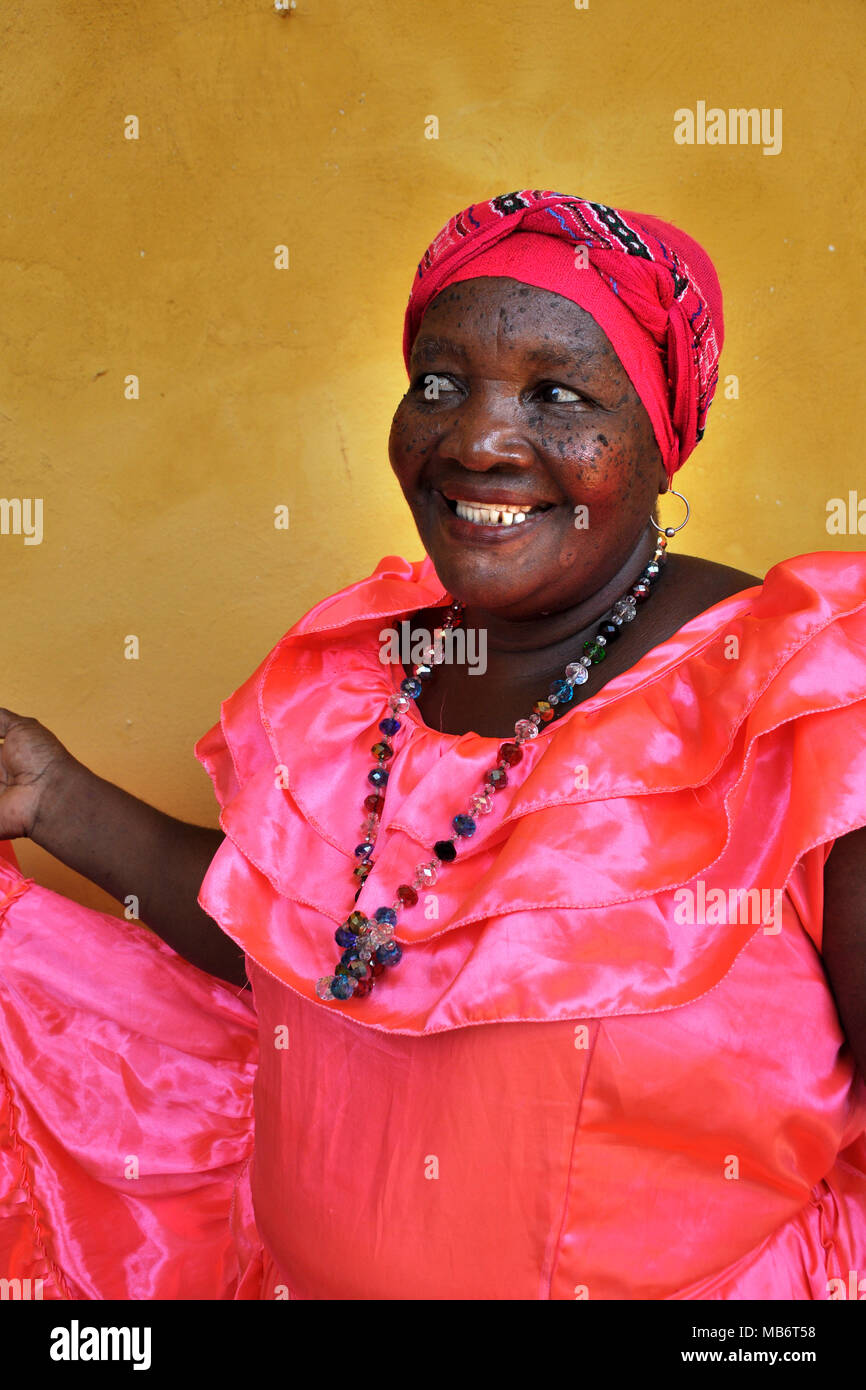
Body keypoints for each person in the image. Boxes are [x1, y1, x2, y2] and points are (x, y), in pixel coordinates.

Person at [1, 188, 865, 1300]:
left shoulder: (796, 711)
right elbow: (324, 948)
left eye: (556, 393)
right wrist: (55, 794)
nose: (478, 440)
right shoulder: (356, 681)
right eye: (440, 385)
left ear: (660, 439)